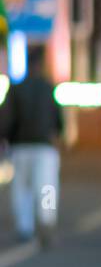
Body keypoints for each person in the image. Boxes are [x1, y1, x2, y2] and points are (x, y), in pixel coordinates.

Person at [0, 43, 63, 248]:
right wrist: (59, 135)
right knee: (47, 188)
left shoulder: (17, 88)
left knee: (22, 189)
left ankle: (24, 227)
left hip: (20, 146)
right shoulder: (48, 87)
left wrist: (5, 137)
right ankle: (46, 221)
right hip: (44, 146)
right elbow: (58, 119)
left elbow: (6, 118)